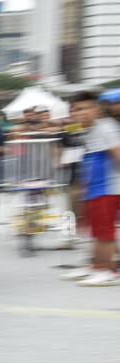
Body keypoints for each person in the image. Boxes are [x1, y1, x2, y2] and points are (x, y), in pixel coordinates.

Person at [61, 92, 120, 286]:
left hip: (108, 187)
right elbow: (65, 131)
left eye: (82, 108)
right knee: (95, 231)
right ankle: (94, 266)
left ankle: (108, 270)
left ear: (96, 109)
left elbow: (118, 154)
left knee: (105, 232)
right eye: (75, 110)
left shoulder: (106, 128)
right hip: (94, 187)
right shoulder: (88, 127)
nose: (78, 113)